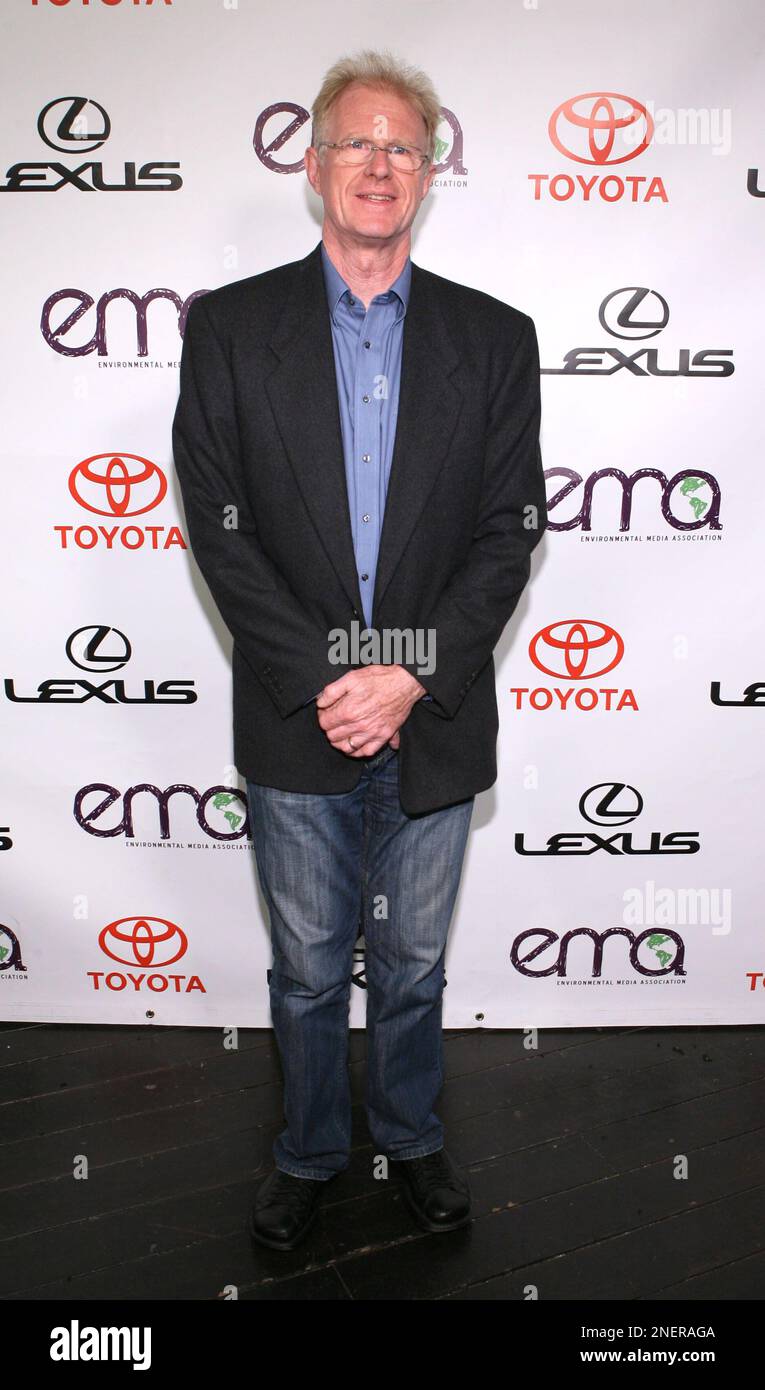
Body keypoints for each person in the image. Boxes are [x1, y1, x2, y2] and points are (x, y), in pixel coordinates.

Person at [172, 48, 546, 1251]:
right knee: (308, 967)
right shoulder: (229, 330)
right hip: (300, 708)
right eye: (356, 142)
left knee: (418, 961)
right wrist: (336, 677)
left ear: (430, 173)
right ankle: (310, 1149)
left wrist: (405, 672)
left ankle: (415, 1138)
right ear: (313, 161)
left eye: (403, 145)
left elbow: (509, 531)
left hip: (430, 709)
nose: (378, 165)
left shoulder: (496, 338)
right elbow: (220, 530)